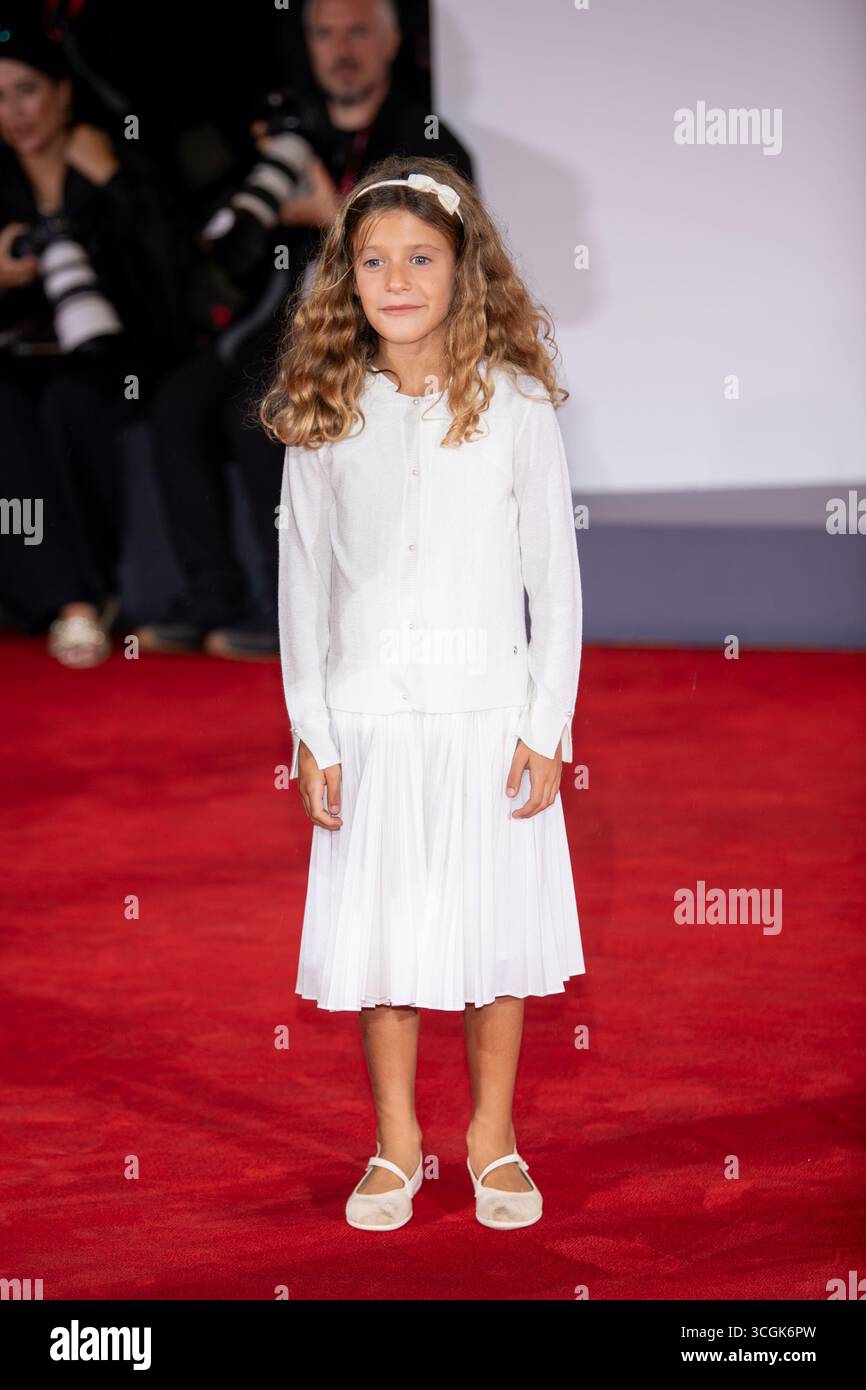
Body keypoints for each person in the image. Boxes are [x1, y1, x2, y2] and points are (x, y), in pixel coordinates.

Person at [260, 154, 586, 1231]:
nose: (395, 279)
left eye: (419, 258)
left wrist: (546, 726)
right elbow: (301, 583)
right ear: (344, 279)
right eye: (371, 261)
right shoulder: (325, 412)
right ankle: (395, 1142)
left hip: (489, 714)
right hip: (371, 719)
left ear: (463, 271)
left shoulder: (516, 406)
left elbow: (554, 576)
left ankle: (489, 1135)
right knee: (386, 942)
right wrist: (312, 729)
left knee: (491, 937)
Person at [136, 0, 473, 661]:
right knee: (178, 403)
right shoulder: (293, 132)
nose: (341, 48)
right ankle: (211, 593)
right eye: (325, 33)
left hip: (382, 335)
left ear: (391, 41)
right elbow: (228, 247)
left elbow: (451, 249)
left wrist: (334, 217)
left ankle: (290, 606)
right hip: (282, 323)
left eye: (357, 31)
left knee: (260, 414)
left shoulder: (427, 134)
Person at [0, 19, 186, 665]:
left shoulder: (114, 159)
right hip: (22, 357)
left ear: (61, 92)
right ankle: (66, 602)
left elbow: (171, 283)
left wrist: (112, 185)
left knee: (70, 403)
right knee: (9, 408)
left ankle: (91, 594)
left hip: (122, 356)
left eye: (25, 91)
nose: (13, 112)